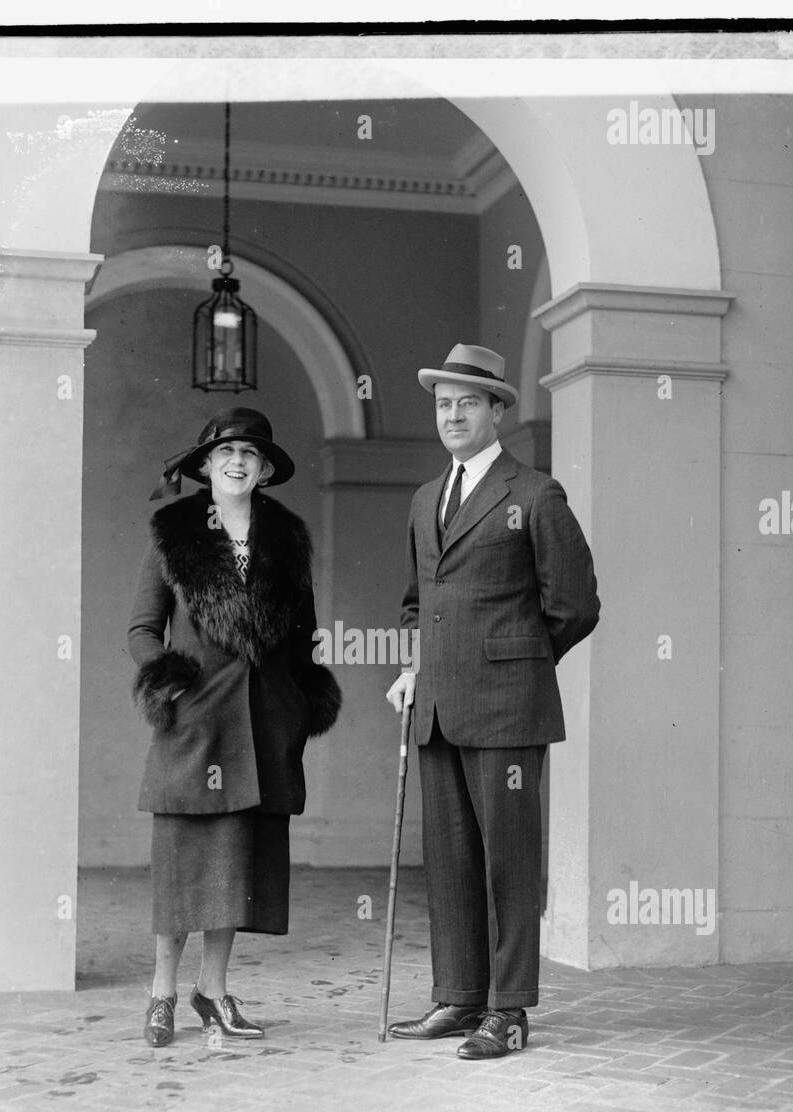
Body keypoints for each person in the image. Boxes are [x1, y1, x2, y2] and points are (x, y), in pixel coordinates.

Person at [385, 344, 599, 1059]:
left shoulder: (536, 494)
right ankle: (460, 997)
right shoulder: (424, 499)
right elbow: (417, 601)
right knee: (449, 859)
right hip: (437, 707)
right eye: (443, 404)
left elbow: (574, 604)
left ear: (497, 410)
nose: (452, 415)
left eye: (467, 403)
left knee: (507, 859)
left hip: (506, 707)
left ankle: (508, 1011)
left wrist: (514, 663)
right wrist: (417, 664)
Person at [128, 407, 341, 1047]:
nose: (238, 462)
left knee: (236, 869)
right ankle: (162, 994)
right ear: (205, 467)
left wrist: (302, 704)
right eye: (225, 454)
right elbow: (142, 629)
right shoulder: (174, 535)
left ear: (266, 469)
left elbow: (302, 638)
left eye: (251, 454)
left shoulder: (287, 540)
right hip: (196, 726)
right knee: (181, 867)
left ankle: (213, 992)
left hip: (263, 728)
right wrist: (170, 683)